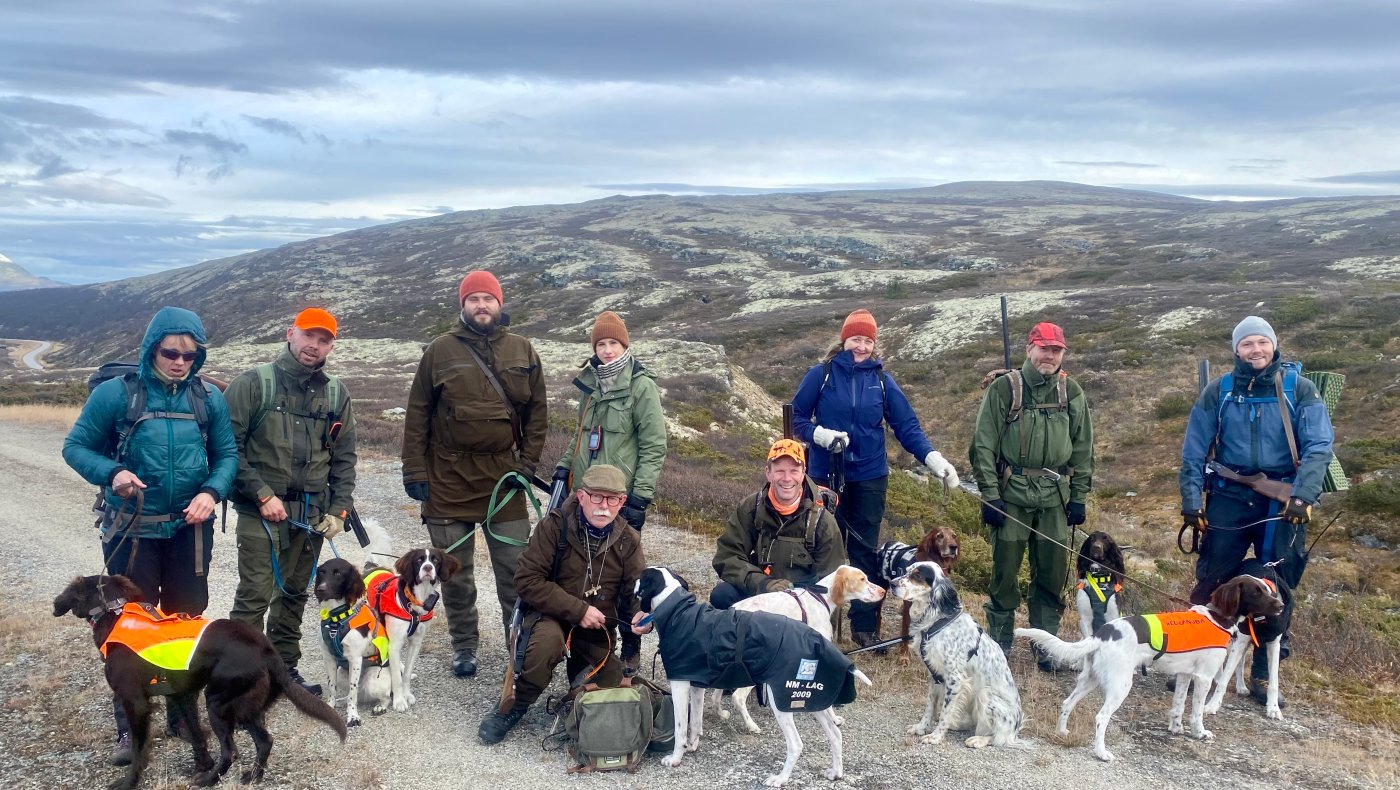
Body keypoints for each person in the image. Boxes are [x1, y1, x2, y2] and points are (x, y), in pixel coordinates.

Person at [62, 306, 238, 765]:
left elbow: (227, 455)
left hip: (188, 530)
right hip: (131, 529)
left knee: (184, 622)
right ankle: (130, 728)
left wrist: (211, 492)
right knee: (128, 627)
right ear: (152, 348)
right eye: (170, 352)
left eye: (190, 354)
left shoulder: (208, 399)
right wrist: (113, 472)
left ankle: (181, 715)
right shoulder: (115, 396)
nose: (180, 361)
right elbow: (75, 447)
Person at [401, 270, 548, 679]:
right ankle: (464, 646)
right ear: (462, 305)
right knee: (454, 575)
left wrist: (527, 465)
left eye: (488, 298)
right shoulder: (439, 351)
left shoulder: (523, 349)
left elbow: (538, 415)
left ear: (499, 304)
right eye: (473, 299)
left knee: (517, 574)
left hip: (505, 481)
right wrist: (414, 468)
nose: (481, 305)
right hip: (447, 480)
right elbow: (417, 415)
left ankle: (520, 648)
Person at [1179, 315, 1333, 705]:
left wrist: (1303, 497)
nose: (1256, 350)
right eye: (1247, 344)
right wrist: (1192, 502)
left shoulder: (1300, 389)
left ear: (1273, 345)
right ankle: (1195, 659)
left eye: (1262, 342)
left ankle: (1264, 673)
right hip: (1229, 496)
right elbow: (1194, 449)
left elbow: (1319, 446)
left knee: (1276, 586)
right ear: (1236, 350)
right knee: (1213, 579)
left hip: (1280, 500)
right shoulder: (1220, 391)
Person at [790, 309, 960, 646]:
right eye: (856, 338)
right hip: (825, 474)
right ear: (844, 339)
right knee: (822, 545)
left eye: (868, 340)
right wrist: (819, 435)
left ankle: (863, 628)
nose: (862, 346)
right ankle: (814, 618)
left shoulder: (882, 381)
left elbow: (906, 426)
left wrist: (932, 458)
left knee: (865, 549)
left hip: (870, 475)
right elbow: (796, 416)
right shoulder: (821, 375)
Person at [225, 307, 357, 696]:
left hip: (312, 515)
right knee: (254, 596)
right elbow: (226, 449)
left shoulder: (336, 393)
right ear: (290, 334)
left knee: (297, 593)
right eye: (308, 336)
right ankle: (239, 677)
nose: (314, 346)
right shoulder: (252, 384)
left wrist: (339, 510)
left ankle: (284, 671)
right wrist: (262, 494)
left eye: (324, 340)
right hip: (260, 512)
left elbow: (345, 457)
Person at [478, 464, 644, 744]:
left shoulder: (629, 540)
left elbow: (633, 595)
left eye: (612, 499)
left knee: (610, 692)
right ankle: (515, 705)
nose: (604, 506)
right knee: (544, 646)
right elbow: (527, 580)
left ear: (622, 502)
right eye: (597, 498)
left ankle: (578, 695)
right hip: (550, 616)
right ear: (581, 496)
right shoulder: (555, 525)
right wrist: (578, 610)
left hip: (597, 628)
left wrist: (638, 625)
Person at [968, 321, 1094, 669]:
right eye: (1044, 348)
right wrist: (990, 496)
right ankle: (1000, 641)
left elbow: (1083, 449)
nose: (1049, 356)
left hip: (1055, 496)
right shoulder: (1004, 389)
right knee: (1004, 571)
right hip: (1011, 495)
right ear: (1030, 349)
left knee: (1052, 574)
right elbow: (982, 445)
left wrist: (1079, 495)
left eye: (1056, 350)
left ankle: (1046, 645)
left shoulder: (1072, 392)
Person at [554, 310, 666, 672]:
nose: (606, 351)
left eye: (613, 343)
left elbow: (654, 444)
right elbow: (580, 433)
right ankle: (585, 642)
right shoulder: (590, 385)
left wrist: (640, 497)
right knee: (578, 567)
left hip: (619, 498)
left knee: (623, 575)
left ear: (625, 345)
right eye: (600, 344)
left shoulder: (640, 386)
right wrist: (563, 467)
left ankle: (630, 645)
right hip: (584, 493)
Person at [710, 438, 846, 609]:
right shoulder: (750, 507)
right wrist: (762, 583)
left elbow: (830, 583)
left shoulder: (823, 522)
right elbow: (728, 556)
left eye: (794, 471)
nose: (787, 478)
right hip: (761, 592)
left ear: (804, 472)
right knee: (722, 595)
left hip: (800, 603)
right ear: (768, 472)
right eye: (779, 471)